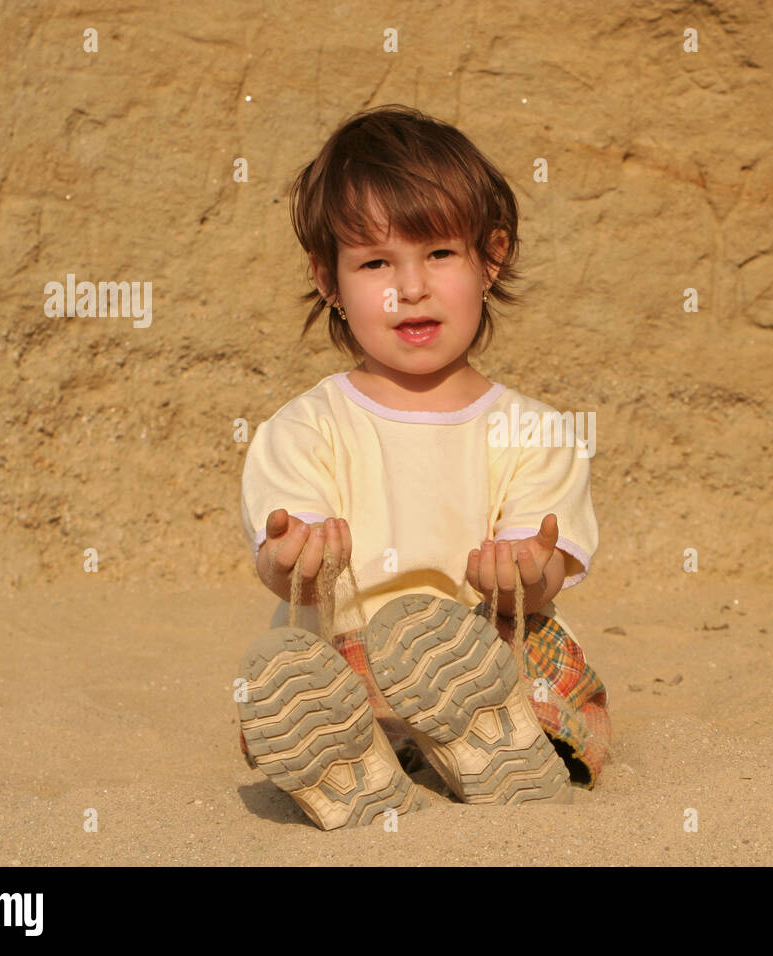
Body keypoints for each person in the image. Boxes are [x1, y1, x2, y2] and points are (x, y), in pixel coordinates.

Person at [235, 104, 610, 830]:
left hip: (488, 650)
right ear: (328, 280)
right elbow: (283, 563)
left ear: (490, 257)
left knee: (522, 667)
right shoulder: (303, 428)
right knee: (293, 683)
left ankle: (492, 745)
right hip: (351, 662)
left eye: (438, 254)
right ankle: (364, 760)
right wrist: (294, 558)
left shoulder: (533, 430)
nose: (410, 287)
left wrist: (524, 570)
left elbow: (548, 566)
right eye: (375, 263)